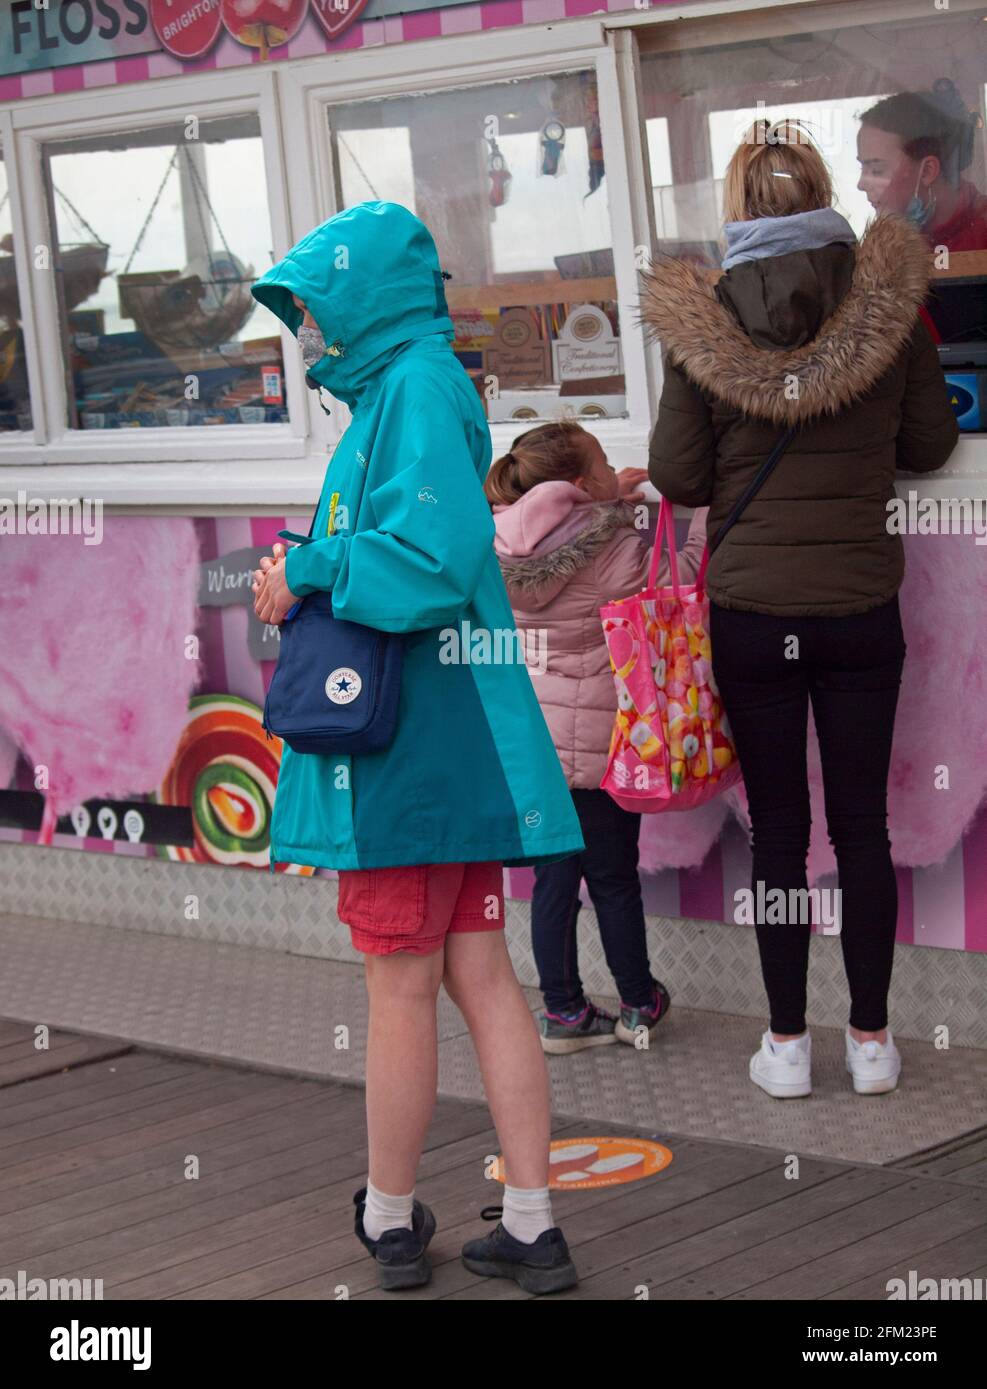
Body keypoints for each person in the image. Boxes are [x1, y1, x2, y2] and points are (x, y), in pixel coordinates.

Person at [250, 201, 585, 1294]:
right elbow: (423, 545)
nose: (308, 335)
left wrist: (304, 571)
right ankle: (529, 1223)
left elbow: (433, 561)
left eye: (313, 310)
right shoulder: (416, 387)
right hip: (449, 744)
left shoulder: (413, 391)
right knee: (482, 973)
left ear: (362, 298)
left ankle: (390, 1220)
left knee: (400, 987)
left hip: (405, 750)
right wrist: (317, 565)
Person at [643, 121, 959, 1099]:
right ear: (825, 192)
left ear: (739, 210)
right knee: (861, 825)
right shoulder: (888, 311)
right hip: (859, 604)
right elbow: (933, 445)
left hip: (752, 613)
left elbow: (678, 475)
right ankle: (871, 1042)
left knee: (779, 830)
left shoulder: (706, 328)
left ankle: (786, 1044)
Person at [486, 420, 707, 1051]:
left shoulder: (496, 539)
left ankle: (563, 1013)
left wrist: (610, 501)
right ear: (580, 485)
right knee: (612, 877)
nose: (619, 469)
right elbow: (681, 577)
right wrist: (710, 514)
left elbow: (565, 532)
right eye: (608, 462)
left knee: (554, 880)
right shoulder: (611, 547)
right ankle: (639, 1002)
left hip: (539, 744)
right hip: (605, 743)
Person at [858, 79, 987, 252]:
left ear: (927, 171)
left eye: (876, 170)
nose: (861, 184)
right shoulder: (883, 246)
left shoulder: (981, 234)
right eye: (862, 168)